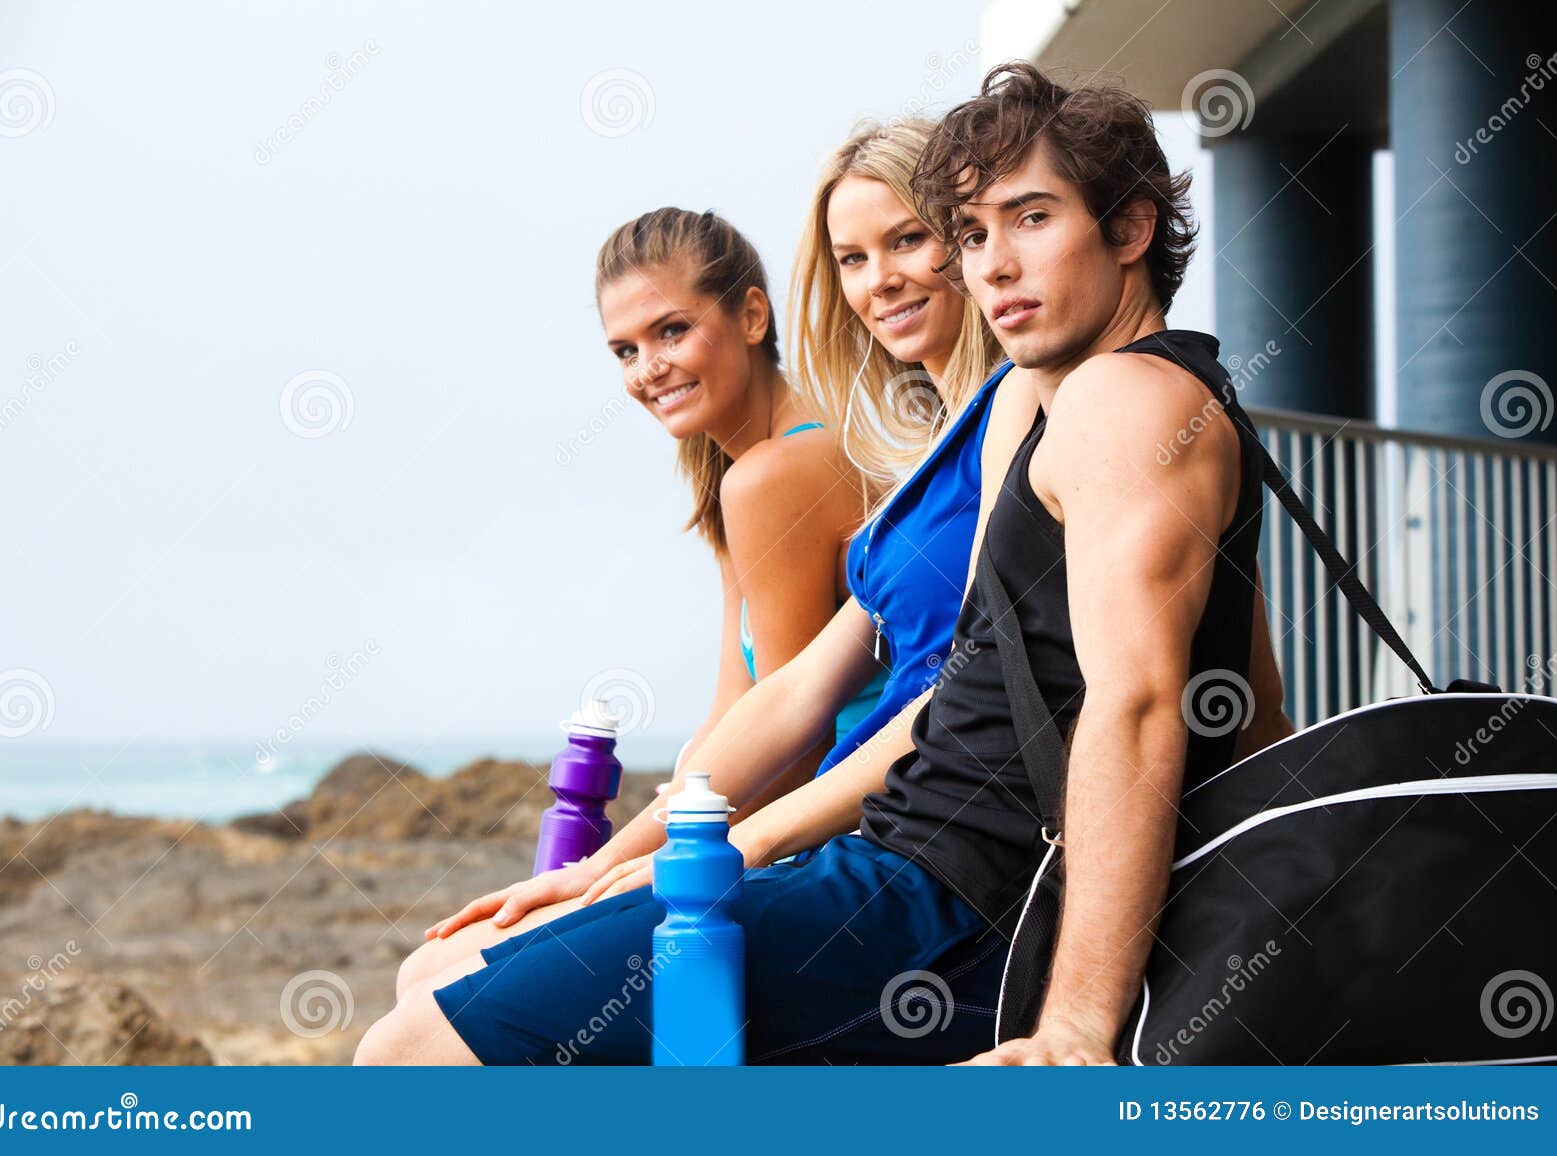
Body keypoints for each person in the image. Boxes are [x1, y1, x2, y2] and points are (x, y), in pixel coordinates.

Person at [356, 65, 1296, 1063]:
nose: (992, 266)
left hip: (952, 905)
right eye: (973, 235)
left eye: (1028, 220)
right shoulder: (1041, 400)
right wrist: (707, 845)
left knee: (413, 1050)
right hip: (902, 863)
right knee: (435, 1009)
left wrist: (1075, 1025)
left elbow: (1144, 702)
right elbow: (1206, 692)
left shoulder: (1123, 402)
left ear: (1129, 230)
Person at [386, 119, 1010, 1001]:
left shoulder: (779, 473)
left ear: (753, 315)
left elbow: (796, 743)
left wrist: (647, 863)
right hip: (794, 820)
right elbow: (739, 712)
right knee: (450, 967)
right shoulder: (742, 478)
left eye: (671, 331)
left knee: (434, 978)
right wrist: (616, 856)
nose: (648, 369)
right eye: (625, 350)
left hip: (850, 836)